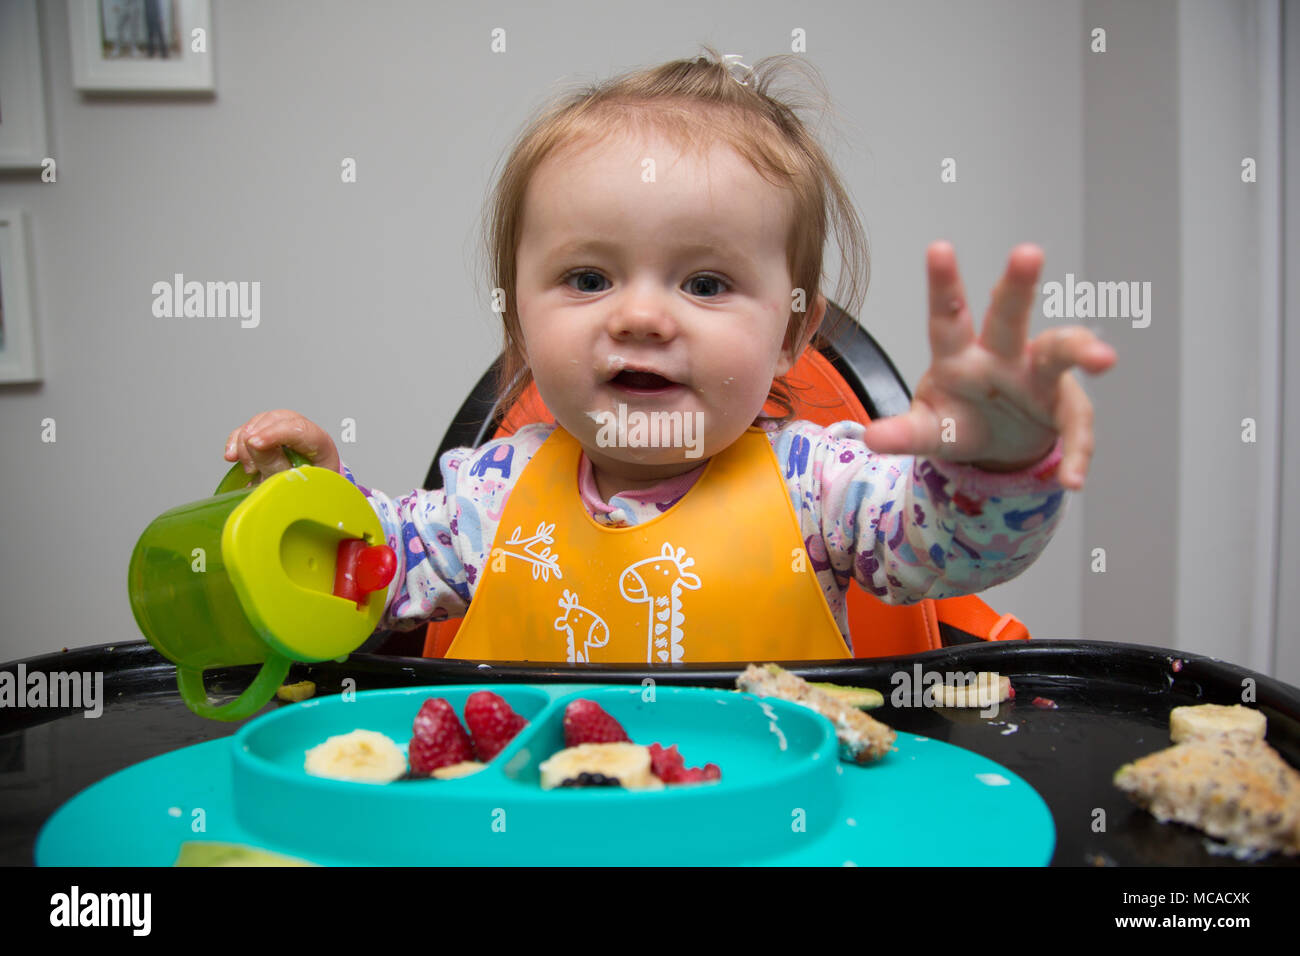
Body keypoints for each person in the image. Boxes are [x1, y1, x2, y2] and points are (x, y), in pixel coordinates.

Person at [223, 49, 1116, 663]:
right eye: (586, 277)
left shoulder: (823, 489)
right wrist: (311, 507)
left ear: (791, 339)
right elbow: (370, 582)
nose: (642, 316)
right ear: (519, 322)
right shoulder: (488, 500)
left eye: (706, 284)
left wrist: (995, 460)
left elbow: (948, 546)